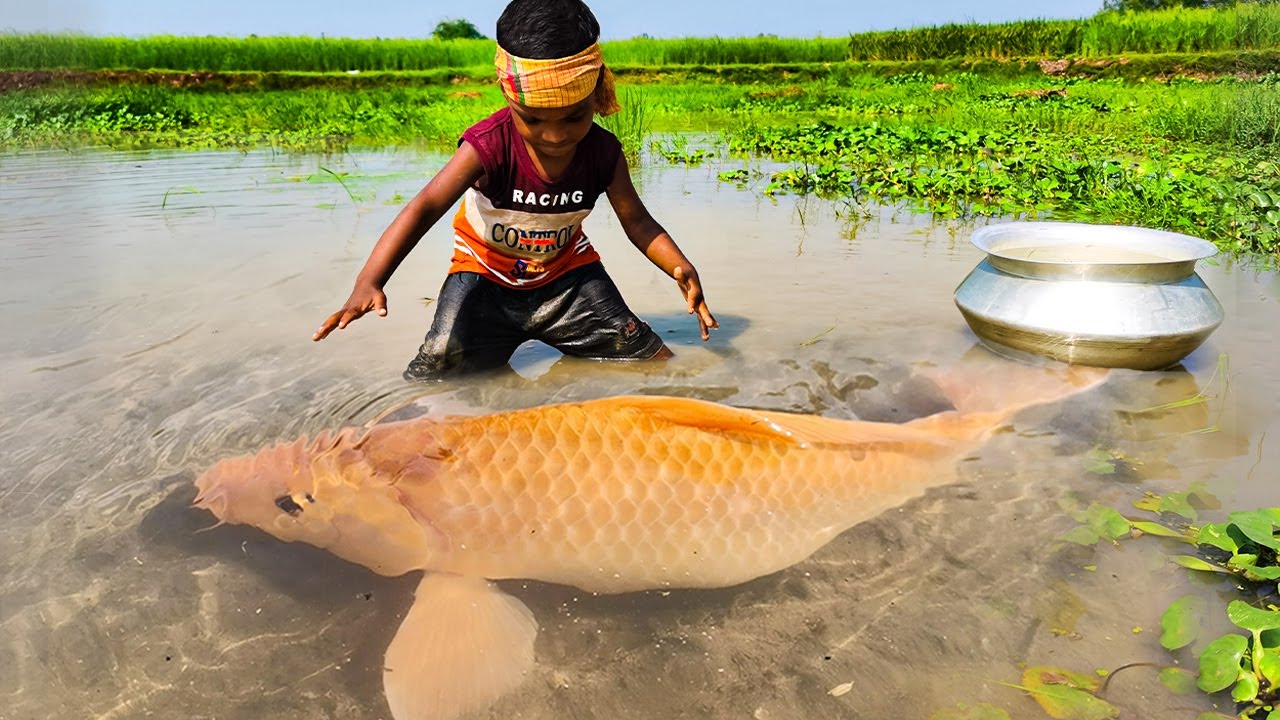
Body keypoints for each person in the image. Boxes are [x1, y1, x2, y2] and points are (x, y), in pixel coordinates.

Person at [312, 0, 717, 382]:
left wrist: (680, 266)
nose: (555, 136)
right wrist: (370, 280)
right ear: (510, 97)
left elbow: (638, 221)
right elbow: (425, 207)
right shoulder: (486, 146)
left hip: (570, 282)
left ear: (595, 94)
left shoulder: (604, 153)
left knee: (653, 363)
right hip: (482, 281)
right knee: (435, 377)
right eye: (534, 120)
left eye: (574, 117)